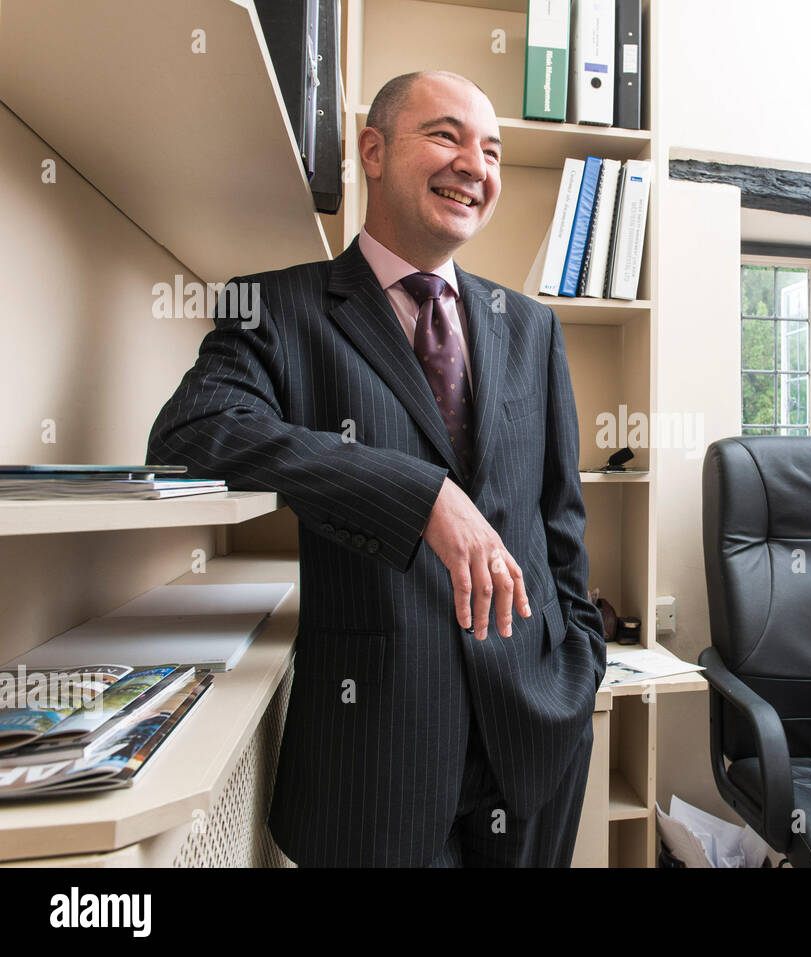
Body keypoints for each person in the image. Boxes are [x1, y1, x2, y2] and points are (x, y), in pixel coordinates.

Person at [147, 70, 606, 867]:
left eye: (492, 150)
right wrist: (418, 494)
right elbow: (193, 432)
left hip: (535, 741)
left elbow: (559, 519)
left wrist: (580, 666)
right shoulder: (276, 308)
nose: (475, 164)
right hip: (373, 764)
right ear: (374, 150)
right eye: (447, 136)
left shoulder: (532, 326)